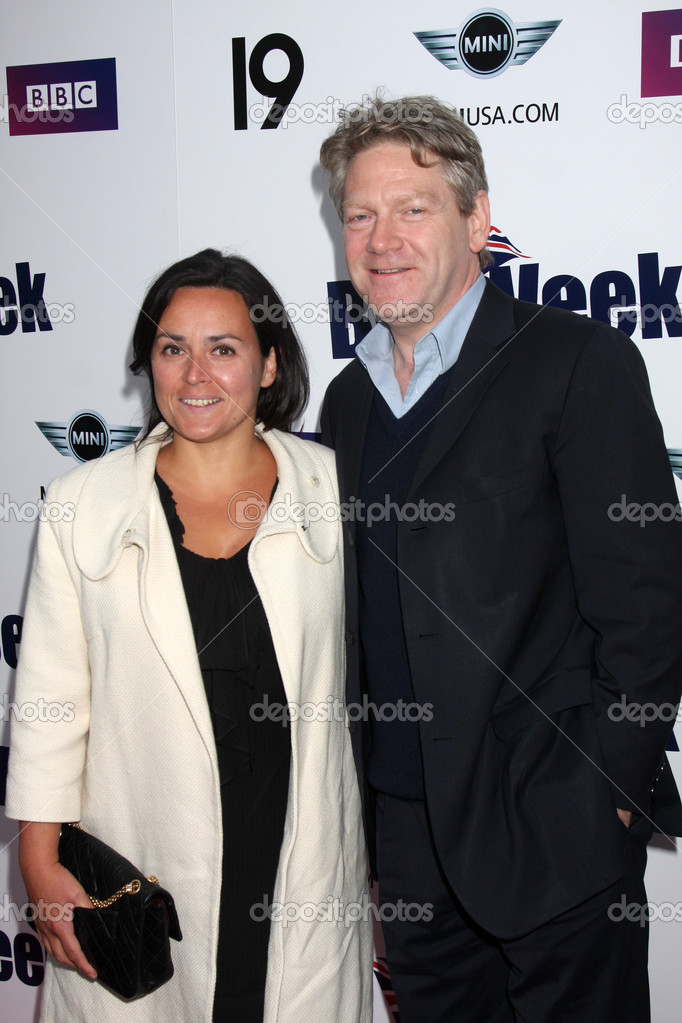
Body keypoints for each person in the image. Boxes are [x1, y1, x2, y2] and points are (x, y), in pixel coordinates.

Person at [319, 95, 682, 1023]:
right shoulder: (349, 400)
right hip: (407, 839)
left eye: (413, 207)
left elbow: (647, 606)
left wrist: (606, 793)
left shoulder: (575, 361)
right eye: (359, 213)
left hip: (554, 823)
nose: (381, 237)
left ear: (478, 218)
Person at [6, 249, 372, 1023]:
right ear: (149, 362)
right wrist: (37, 857)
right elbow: (49, 701)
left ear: (270, 365)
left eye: (225, 349)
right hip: (142, 861)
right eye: (173, 348)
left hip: (297, 854)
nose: (195, 374)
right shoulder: (81, 505)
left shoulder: (336, 490)